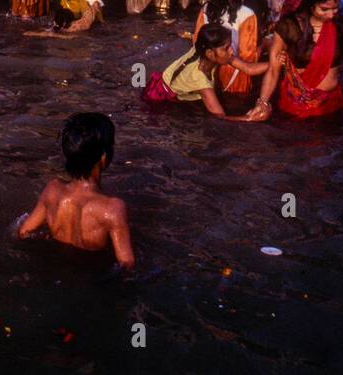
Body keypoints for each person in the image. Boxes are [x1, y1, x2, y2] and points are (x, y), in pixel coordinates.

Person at [18, 112, 134, 267]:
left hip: (55, 266)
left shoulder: (52, 190)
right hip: (92, 278)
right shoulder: (112, 208)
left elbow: (24, 232)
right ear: (104, 157)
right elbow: (127, 264)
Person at [258, 0, 343, 122]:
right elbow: (273, 70)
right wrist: (262, 102)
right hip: (292, 107)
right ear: (311, 4)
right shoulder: (289, 27)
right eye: (324, 9)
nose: (331, 15)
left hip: (330, 107)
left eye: (335, 8)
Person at [145, 22, 270, 120]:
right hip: (159, 101)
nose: (231, 51)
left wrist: (275, 63)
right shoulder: (200, 79)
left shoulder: (204, 49)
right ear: (210, 54)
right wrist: (249, 119)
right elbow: (220, 116)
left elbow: (248, 68)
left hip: (164, 83)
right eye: (226, 48)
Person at [192, 0, 259, 96]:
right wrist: (263, 46)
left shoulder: (206, 8)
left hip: (208, 73)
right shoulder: (247, 14)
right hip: (235, 78)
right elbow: (248, 57)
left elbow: (197, 42)